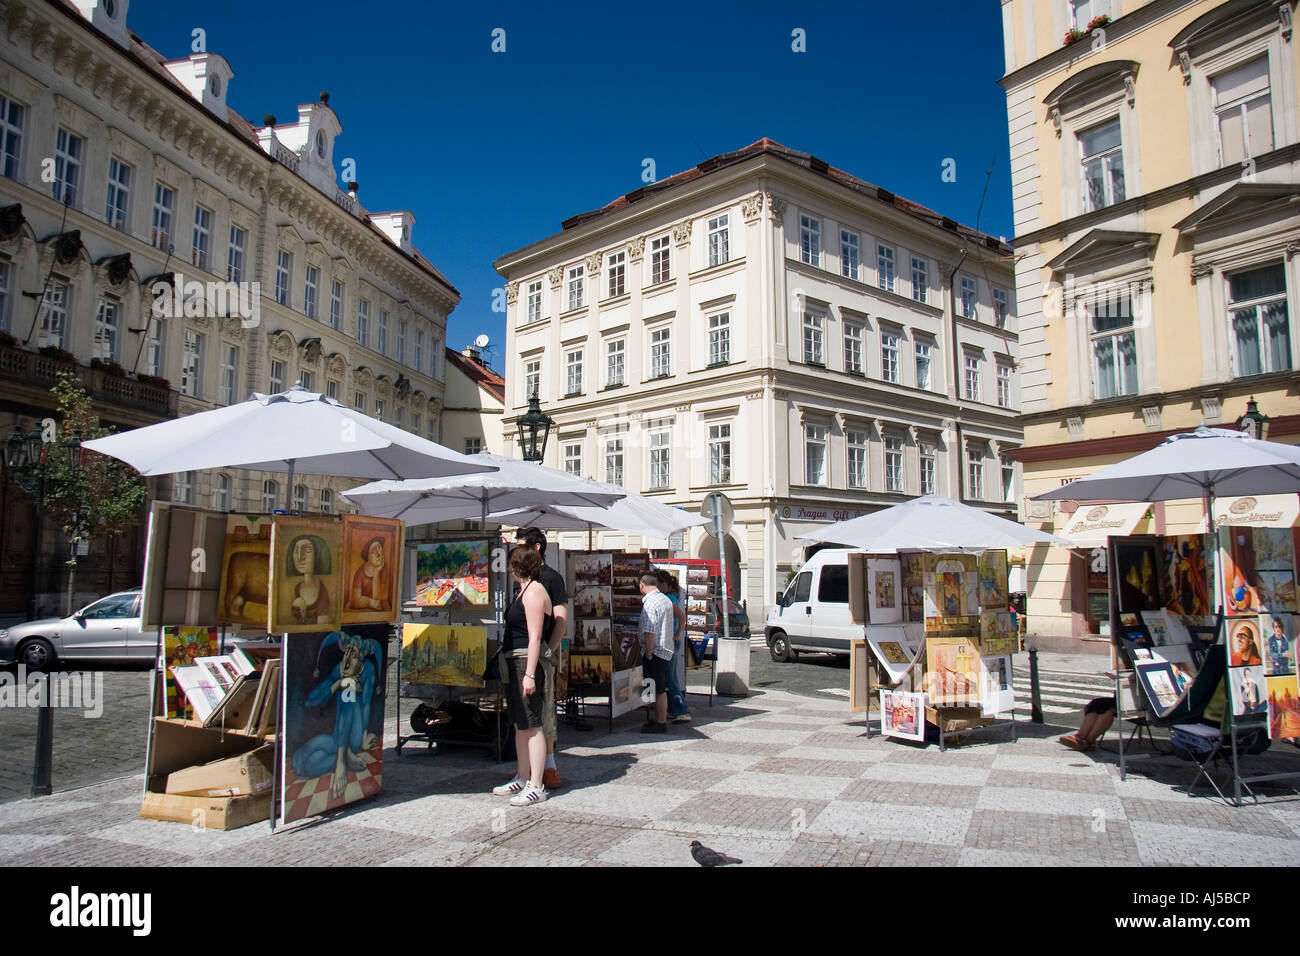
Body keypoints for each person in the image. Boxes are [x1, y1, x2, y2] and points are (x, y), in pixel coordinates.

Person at [493, 546, 553, 805]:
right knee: (519, 723)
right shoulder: (524, 591)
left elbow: (535, 637)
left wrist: (529, 673)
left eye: (511, 564)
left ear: (519, 566)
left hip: (524, 663)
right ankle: (522, 774)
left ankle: (537, 784)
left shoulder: (535, 592)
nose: (508, 568)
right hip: (514, 660)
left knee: (532, 723)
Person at [516, 527, 568, 789]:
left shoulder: (551, 578)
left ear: (536, 548)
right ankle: (525, 772)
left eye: (521, 546)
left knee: (543, 714)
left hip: (540, 656)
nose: (515, 551)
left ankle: (549, 767)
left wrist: (549, 649)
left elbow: (561, 620)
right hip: (522, 655)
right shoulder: (522, 578)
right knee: (526, 717)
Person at [639, 572, 674, 733]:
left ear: (642, 585)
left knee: (657, 688)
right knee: (659, 687)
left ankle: (660, 721)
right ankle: (657, 718)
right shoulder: (665, 599)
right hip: (666, 650)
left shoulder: (650, 603)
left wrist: (649, 652)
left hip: (656, 652)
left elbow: (649, 631)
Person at [656, 569, 690, 723]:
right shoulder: (671, 597)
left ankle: (681, 710)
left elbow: (682, 618)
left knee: (670, 677)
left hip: (671, 641)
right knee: (670, 676)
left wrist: (677, 634)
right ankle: (675, 709)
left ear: (663, 584)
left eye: (657, 585)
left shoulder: (669, 599)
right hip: (671, 640)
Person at [348, 536, 392, 612]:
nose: (378, 554)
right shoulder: (360, 572)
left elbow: (377, 598)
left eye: (380, 549)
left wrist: (376, 572)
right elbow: (355, 600)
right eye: (373, 551)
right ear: (367, 556)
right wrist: (369, 602)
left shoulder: (383, 570)